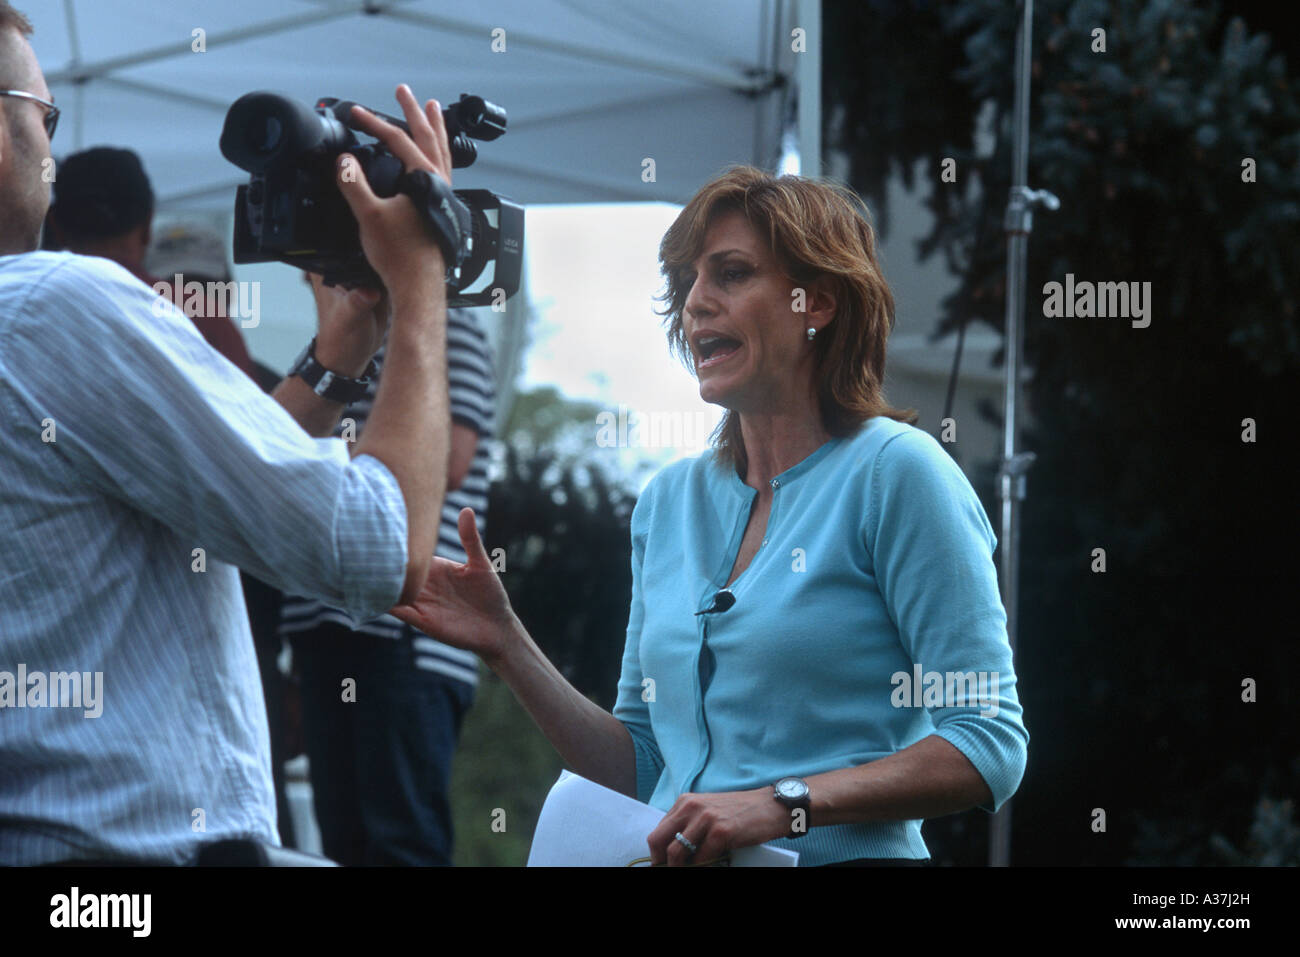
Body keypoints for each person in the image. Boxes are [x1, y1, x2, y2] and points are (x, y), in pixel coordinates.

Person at [392, 166, 1030, 866]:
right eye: (689, 282)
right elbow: (642, 767)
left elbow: (988, 741)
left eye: (730, 273)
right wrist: (506, 642)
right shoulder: (669, 503)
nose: (696, 303)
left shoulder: (899, 473)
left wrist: (780, 804)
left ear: (815, 302)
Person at [0, 1, 457, 865]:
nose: (52, 153)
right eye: (44, 116)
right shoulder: (55, 303)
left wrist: (336, 360)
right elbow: (376, 549)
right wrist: (421, 278)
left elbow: (223, 487)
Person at [280, 285, 496, 866]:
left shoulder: (447, 329)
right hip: (330, 628)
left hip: (411, 634)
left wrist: (315, 468)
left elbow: (446, 462)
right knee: (343, 845)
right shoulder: (345, 337)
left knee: (401, 843)